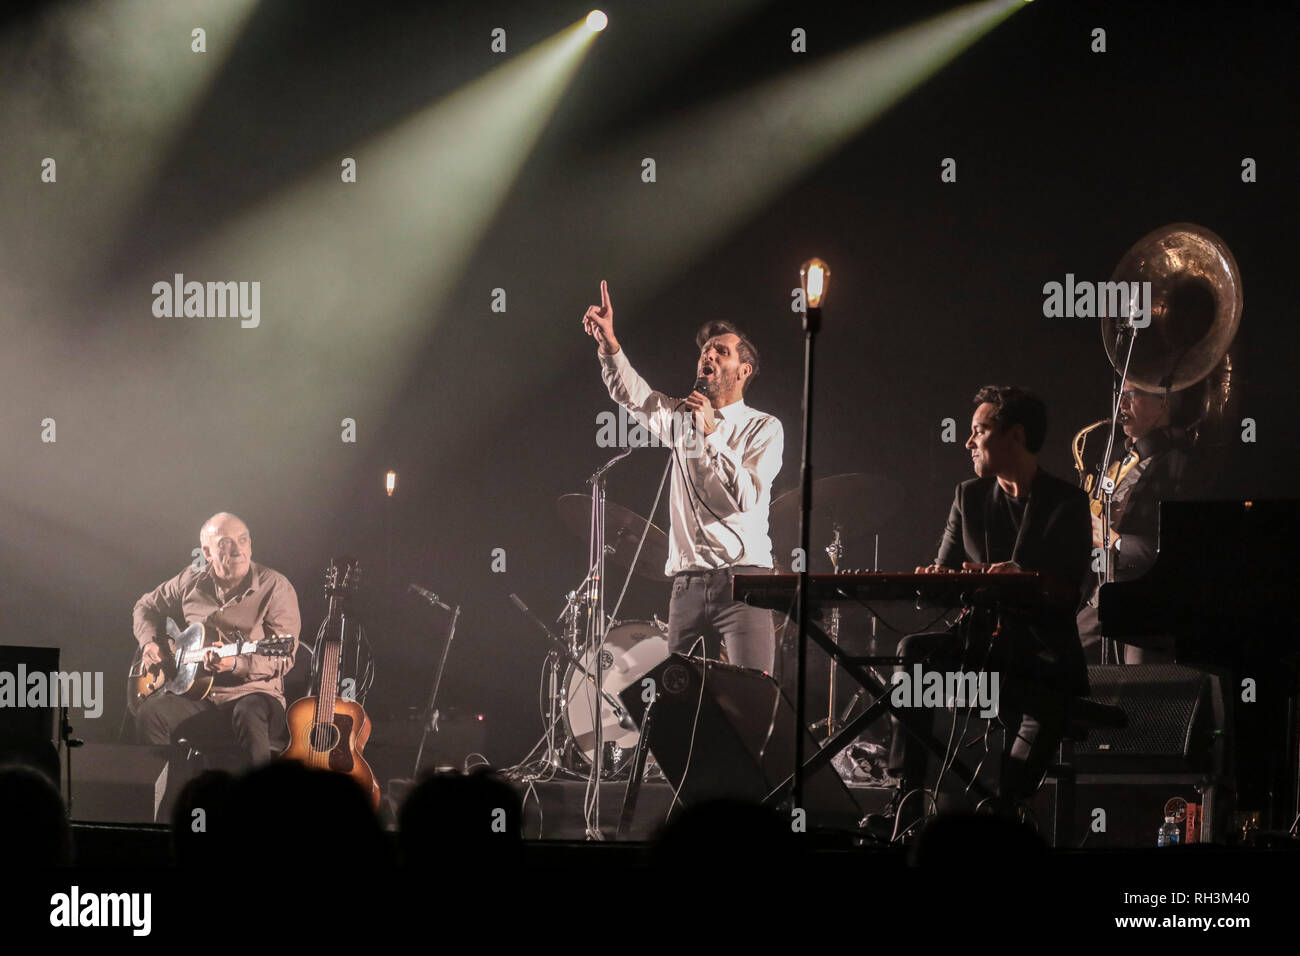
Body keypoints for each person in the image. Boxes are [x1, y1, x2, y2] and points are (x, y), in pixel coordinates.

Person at [872, 386, 1091, 837]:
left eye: (979, 430)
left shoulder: (1067, 502)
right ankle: (907, 798)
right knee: (913, 651)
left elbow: (1068, 592)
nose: (968, 442)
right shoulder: (968, 496)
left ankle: (1007, 810)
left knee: (1034, 733)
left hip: (1040, 661)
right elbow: (946, 577)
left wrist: (1020, 575)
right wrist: (931, 580)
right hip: (981, 652)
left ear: (1015, 436)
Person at [582, 280, 784, 673]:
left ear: (743, 370)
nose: (708, 354)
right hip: (687, 587)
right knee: (680, 703)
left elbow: (746, 498)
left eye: (720, 351)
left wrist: (711, 435)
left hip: (744, 585)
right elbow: (634, 397)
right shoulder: (680, 418)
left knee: (753, 699)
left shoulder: (764, 428)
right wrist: (609, 345)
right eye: (705, 350)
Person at [133, 512, 301, 765]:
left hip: (255, 697)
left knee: (248, 713)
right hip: (199, 699)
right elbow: (144, 606)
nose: (237, 550)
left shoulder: (276, 586)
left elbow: (284, 656)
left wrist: (236, 664)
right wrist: (149, 642)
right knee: (150, 714)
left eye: (243, 540)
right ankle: (166, 799)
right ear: (207, 553)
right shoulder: (190, 579)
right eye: (224, 543)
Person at [1077, 386, 1203, 664]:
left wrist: (1113, 540)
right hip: (1101, 596)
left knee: (1140, 689)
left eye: (1133, 393)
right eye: (1120, 392)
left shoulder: (1182, 465)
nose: (1122, 401)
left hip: (1147, 605)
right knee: (1057, 661)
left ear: (1164, 403)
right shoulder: (1116, 459)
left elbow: (1180, 551)